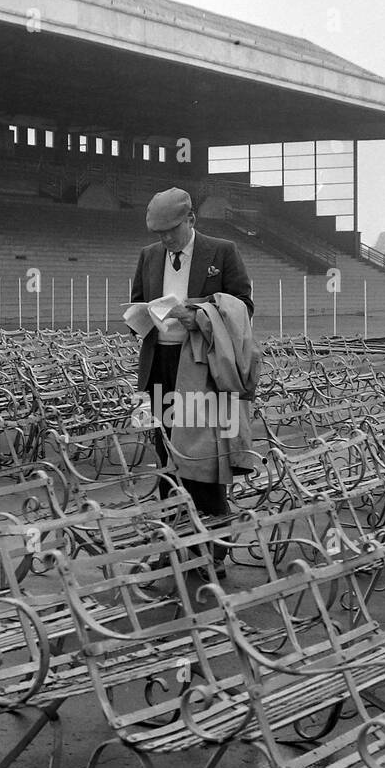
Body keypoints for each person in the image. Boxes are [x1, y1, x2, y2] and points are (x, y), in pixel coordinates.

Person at [129, 187, 254, 571]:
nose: (165, 239)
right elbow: (137, 300)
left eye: (171, 230)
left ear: (191, 221)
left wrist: (197, 315)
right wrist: (141, 319)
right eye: (159, 232)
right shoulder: (149, 256)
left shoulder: (222, 251)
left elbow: (243, 307)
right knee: (167, 458)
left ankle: (212, 550)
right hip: (159, 368)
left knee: (203, 459)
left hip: (201, 368)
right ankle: (173, 548)